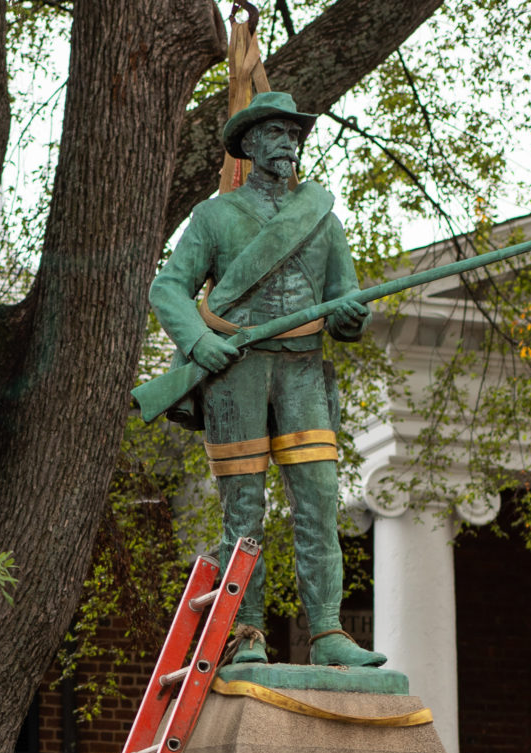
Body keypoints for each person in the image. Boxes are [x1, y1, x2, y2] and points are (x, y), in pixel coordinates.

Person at [148, 90, 385, 670]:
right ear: (249, 144)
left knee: (319, 502)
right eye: (277, 133)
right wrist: (199, 341)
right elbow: (168, 288)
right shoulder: (214, 217)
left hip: (303, 370)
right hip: (237, 373)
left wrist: (350, 317)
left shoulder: (323, 220)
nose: (289, 143)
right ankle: (246, 631)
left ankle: (327, 630)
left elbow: (345, 302)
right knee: (243, 509)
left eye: (294, 134)